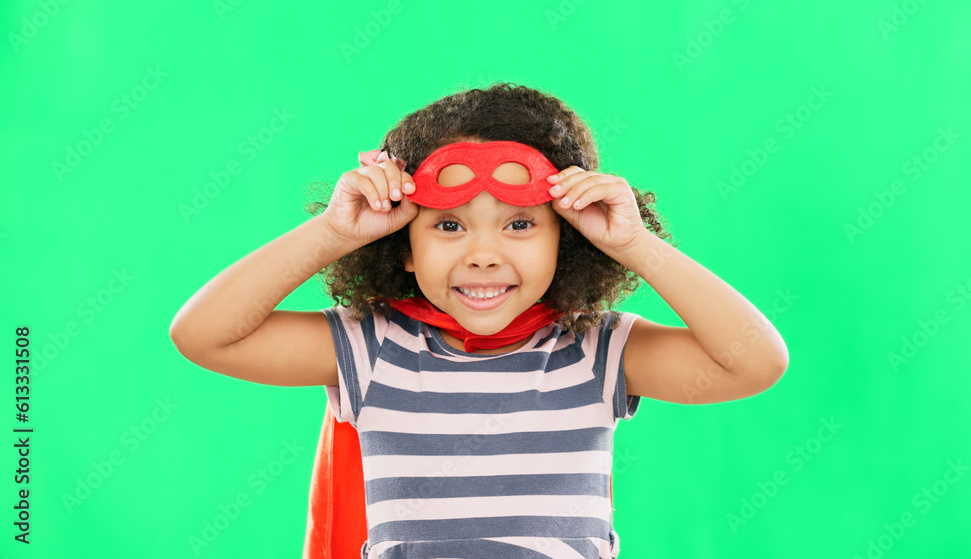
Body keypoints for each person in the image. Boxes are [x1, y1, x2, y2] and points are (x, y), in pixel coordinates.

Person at [169, 83, 789, 559]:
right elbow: (203, 335)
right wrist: (333, 231)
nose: (484, 253)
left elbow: (754, 361)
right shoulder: (371, 347)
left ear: (567, 239)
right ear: (403, 246)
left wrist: (635, 246)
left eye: (520, 224)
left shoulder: (596, 351)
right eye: (448, 224)